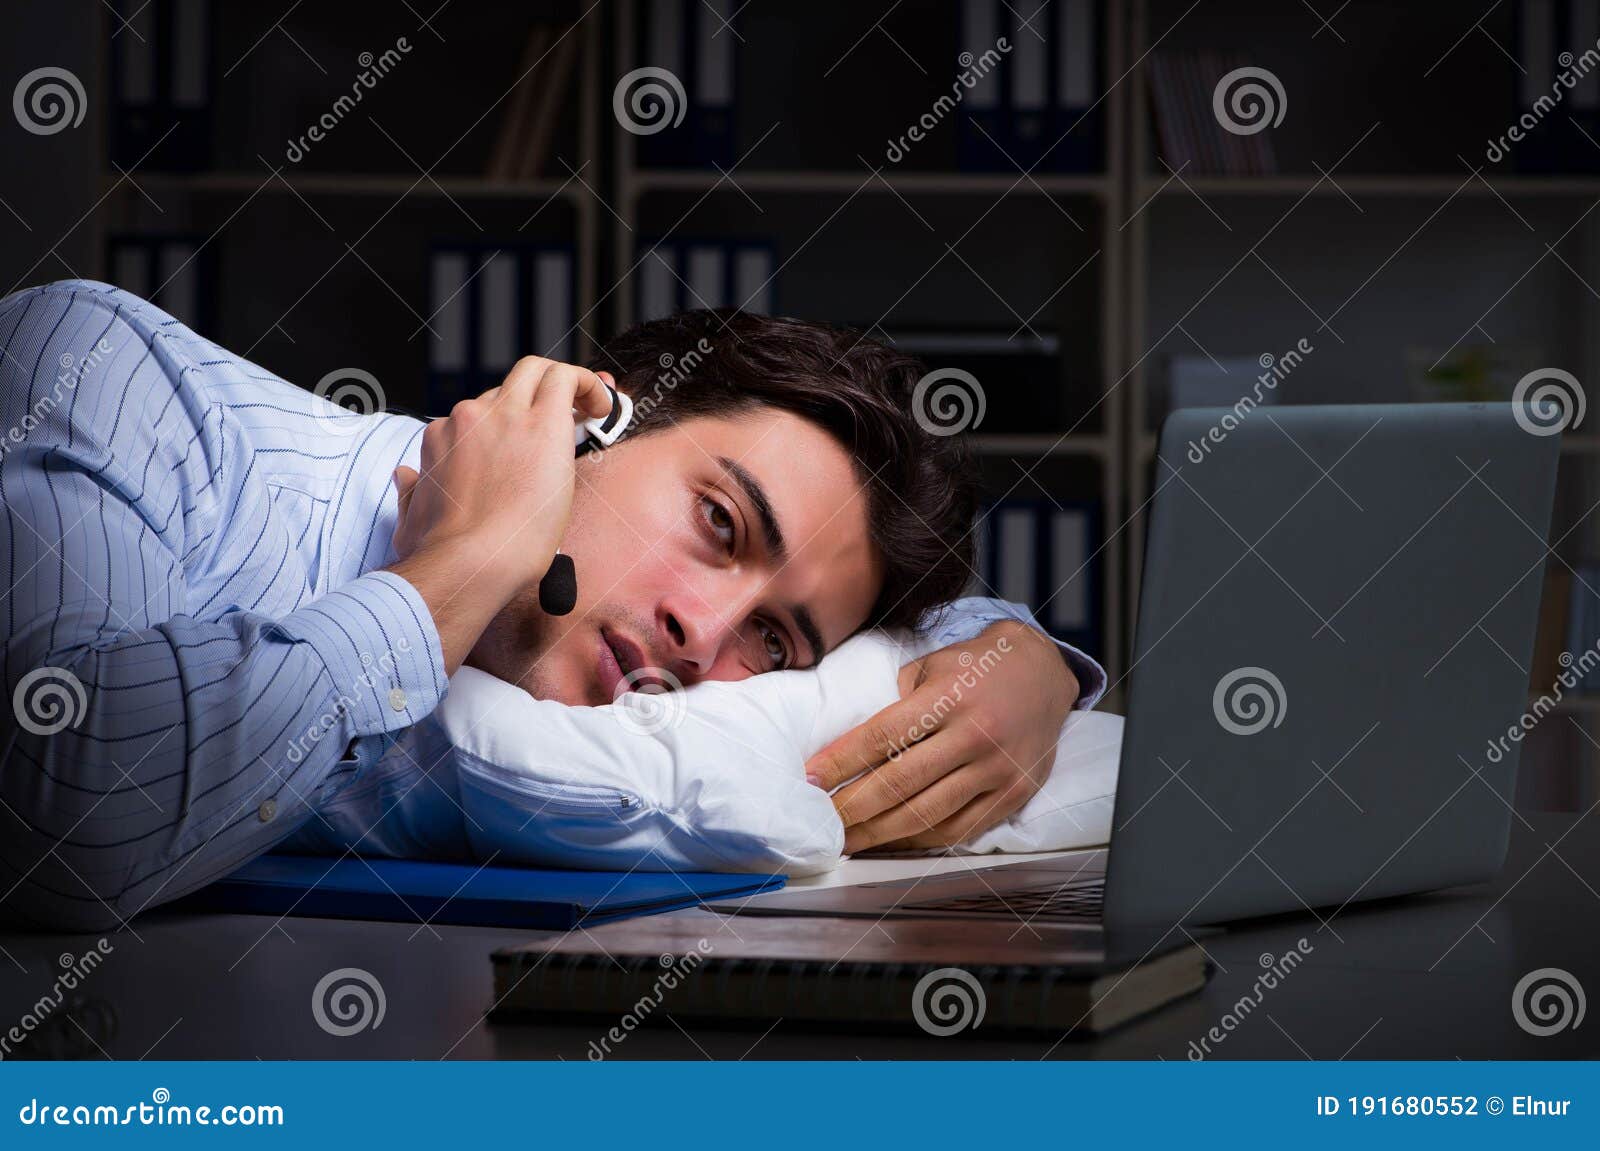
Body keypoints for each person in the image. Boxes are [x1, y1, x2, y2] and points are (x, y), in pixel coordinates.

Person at [0, 280, 1104, 931]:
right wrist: (465, 565)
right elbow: (60, 817)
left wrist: (1024, 658)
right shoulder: (100, 368)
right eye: (719, 523)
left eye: (772, 638)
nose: (704, 633)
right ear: (589, 419)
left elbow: (910, 641)